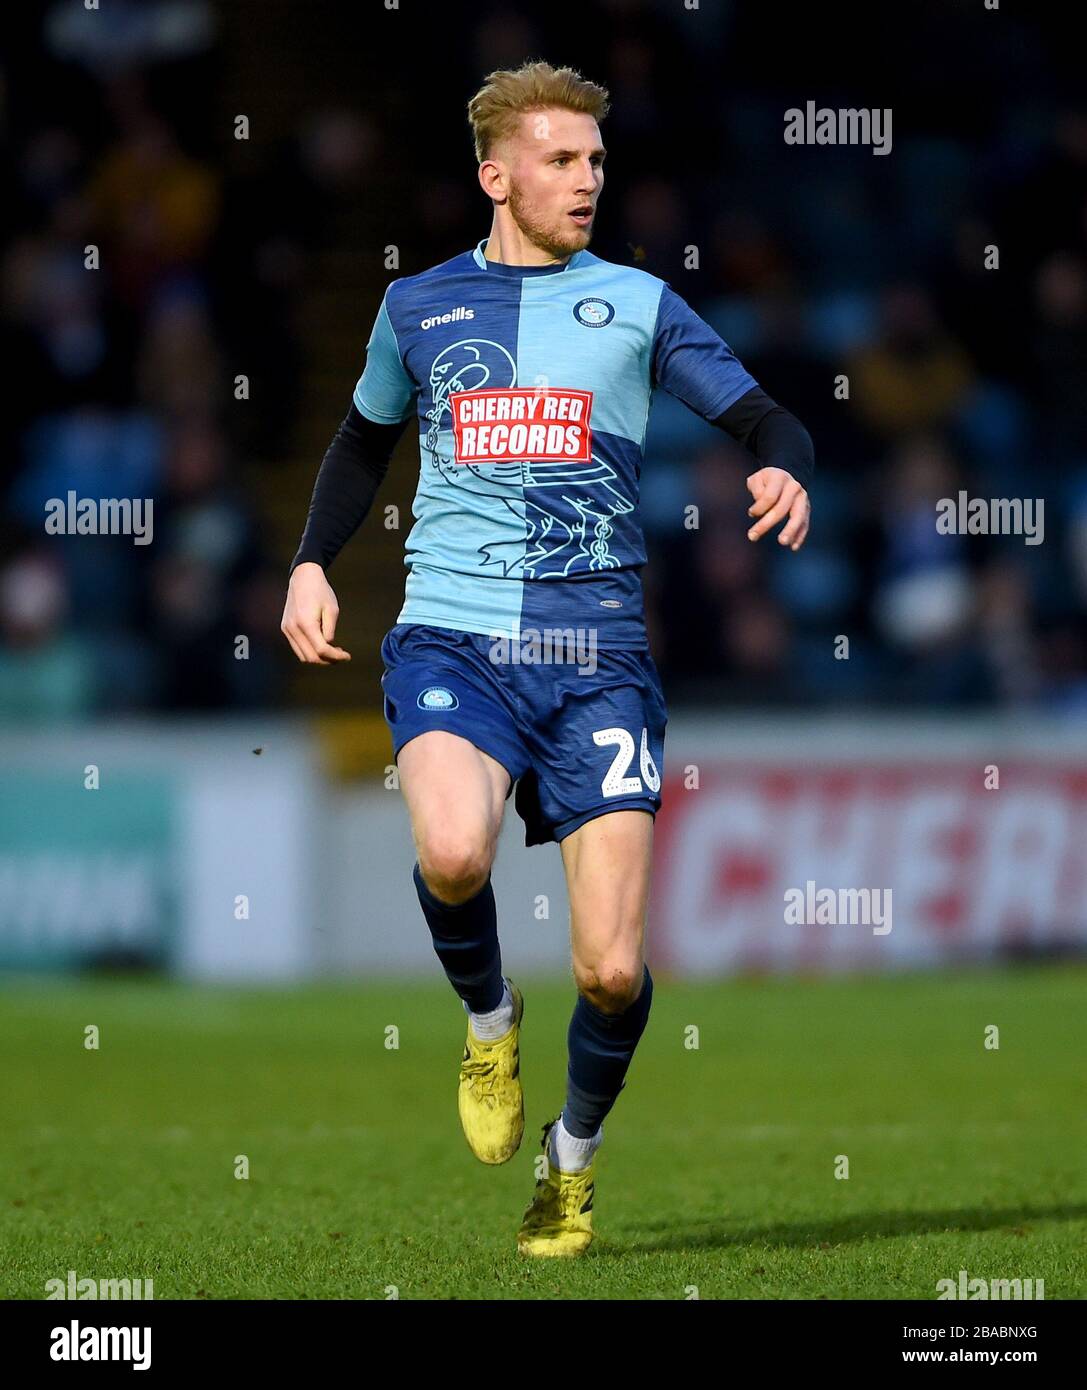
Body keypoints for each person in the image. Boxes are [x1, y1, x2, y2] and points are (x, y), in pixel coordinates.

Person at [282, 60, 813, 1257]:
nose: (587, 180)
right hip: (454, 636)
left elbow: (764, 414)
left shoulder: (634, 303)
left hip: (597, 655)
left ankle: (567, 1163)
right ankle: (487, 1014)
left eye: (596, 161)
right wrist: (314, 560)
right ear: (496, 176)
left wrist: (785, 461)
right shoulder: (416, 308)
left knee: (615, 971)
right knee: (455, 848)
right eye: (562, 161)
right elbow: (362, 445)